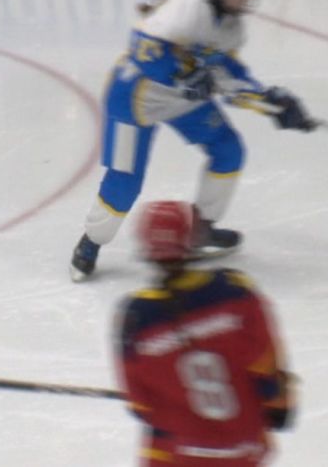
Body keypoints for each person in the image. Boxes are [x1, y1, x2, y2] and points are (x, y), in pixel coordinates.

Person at [70, 0, 314, 282]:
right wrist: (181, 76)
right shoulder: (192, 3)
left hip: (182, 99)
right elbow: (143, 48)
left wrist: (272, 102)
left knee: (228, 149)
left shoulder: (233, 29)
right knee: (124, 182)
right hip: (135, 97)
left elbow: (228, 78)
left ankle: (200, 232)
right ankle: (90, 244)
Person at [115, 200, 294, 466]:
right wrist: (279, 405)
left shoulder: (136, 317)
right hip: (243, 450)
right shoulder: (236, 292)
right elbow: (267, 375)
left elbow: (141, 406)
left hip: (176, 456)